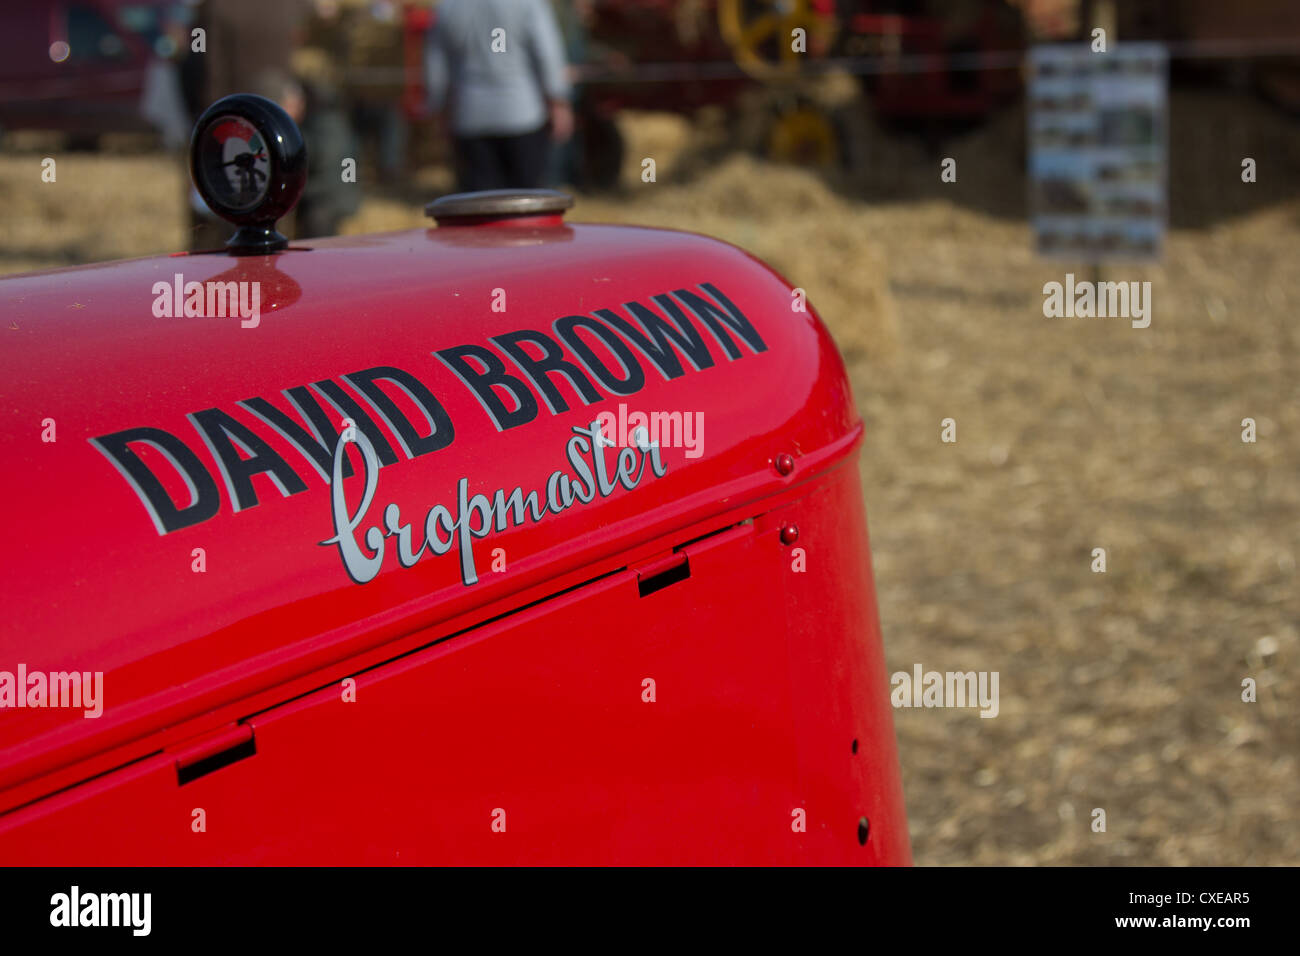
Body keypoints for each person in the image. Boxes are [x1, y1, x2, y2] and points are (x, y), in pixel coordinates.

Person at [424, 0, 573, 192]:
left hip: (469, 115)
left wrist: (438, 109)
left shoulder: (447, 7)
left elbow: (436, 67)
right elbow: (548, 54)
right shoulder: (528, 4)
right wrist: (558, 100)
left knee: (479, 203)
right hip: (522, 114)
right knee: (525, 201)